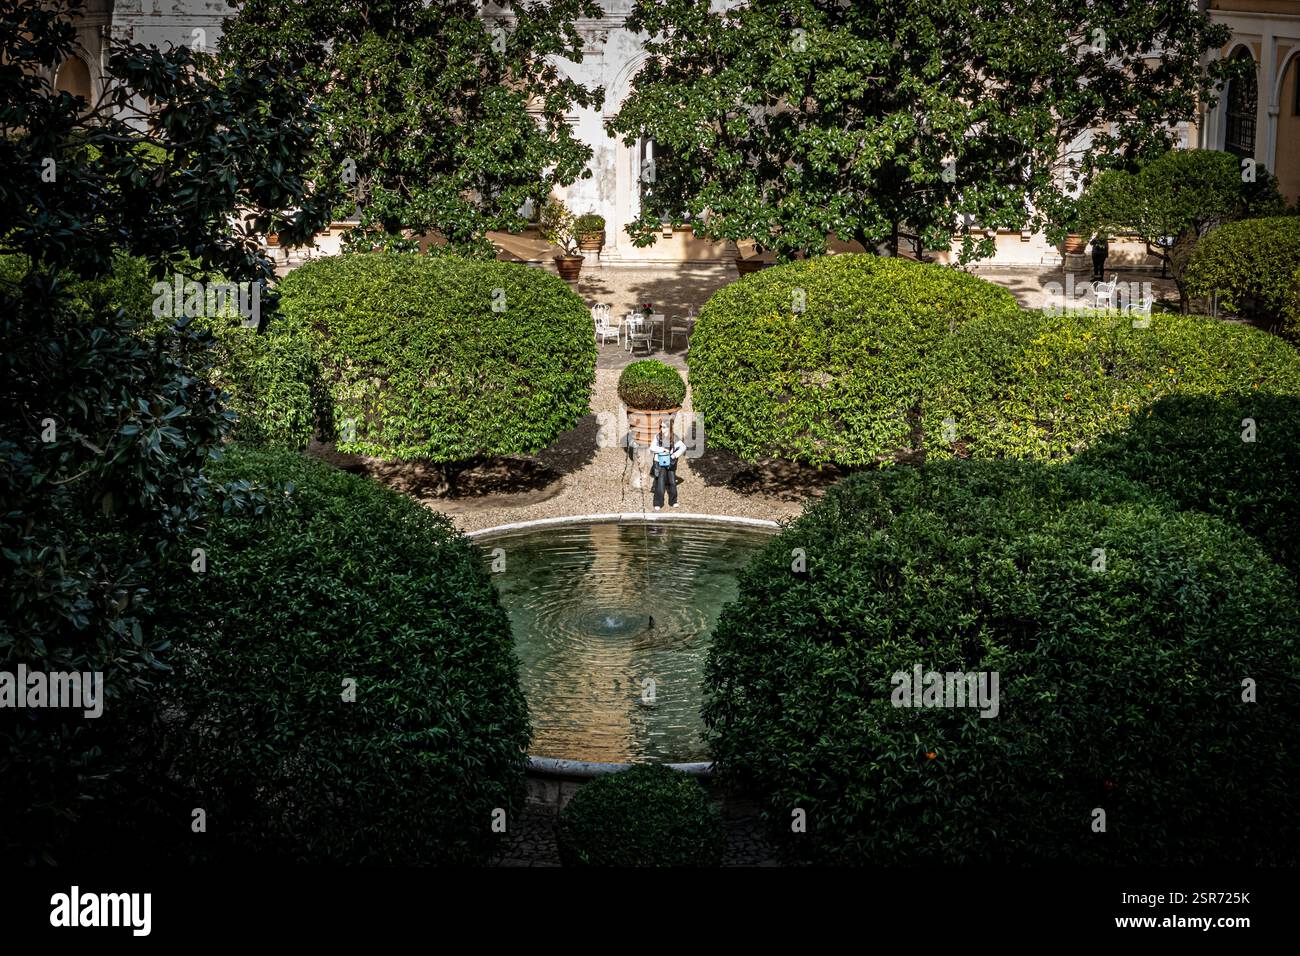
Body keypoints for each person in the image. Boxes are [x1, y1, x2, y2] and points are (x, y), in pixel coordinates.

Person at [649, 424, 686, 511]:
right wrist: (662, 449)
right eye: (661, 427)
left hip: (670, 463)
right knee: (660, 483)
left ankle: (673, 501)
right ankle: (658, 503)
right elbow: (652, 447)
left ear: (669, 428)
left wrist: (674, 455)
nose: (662, 428)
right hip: (659, 462)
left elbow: (683, 447)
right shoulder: (657, 437)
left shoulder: (674, 437)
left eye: (664, 427)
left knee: (672, 482)